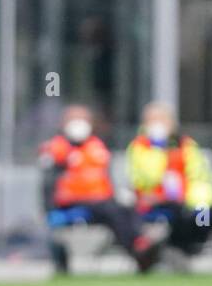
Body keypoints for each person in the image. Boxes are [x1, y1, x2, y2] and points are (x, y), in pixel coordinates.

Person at [40, 105, 160, 272]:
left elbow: (106, 177)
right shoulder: (57, 147)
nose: (79, 124)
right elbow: (48, 183)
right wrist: (49, 209)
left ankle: (140, 245)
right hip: (72, 201)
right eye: (74, 119)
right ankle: (137, 248)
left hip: (101, 200)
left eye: (83, 119)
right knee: (112, 210)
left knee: (126, 208)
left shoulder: (96, 146)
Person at [125, 102, 212, 257]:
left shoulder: (186, 145)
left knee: (207, 215)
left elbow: (199, 177)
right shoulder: (140, 147)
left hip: (185, 200)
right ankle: (174, 247)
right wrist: (158, 148)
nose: (158, 124)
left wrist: (198, 201)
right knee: (178, 213)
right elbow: (148, 177)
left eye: (162, 120)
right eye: (152, 120)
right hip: (153, 200)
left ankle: (191, 245)